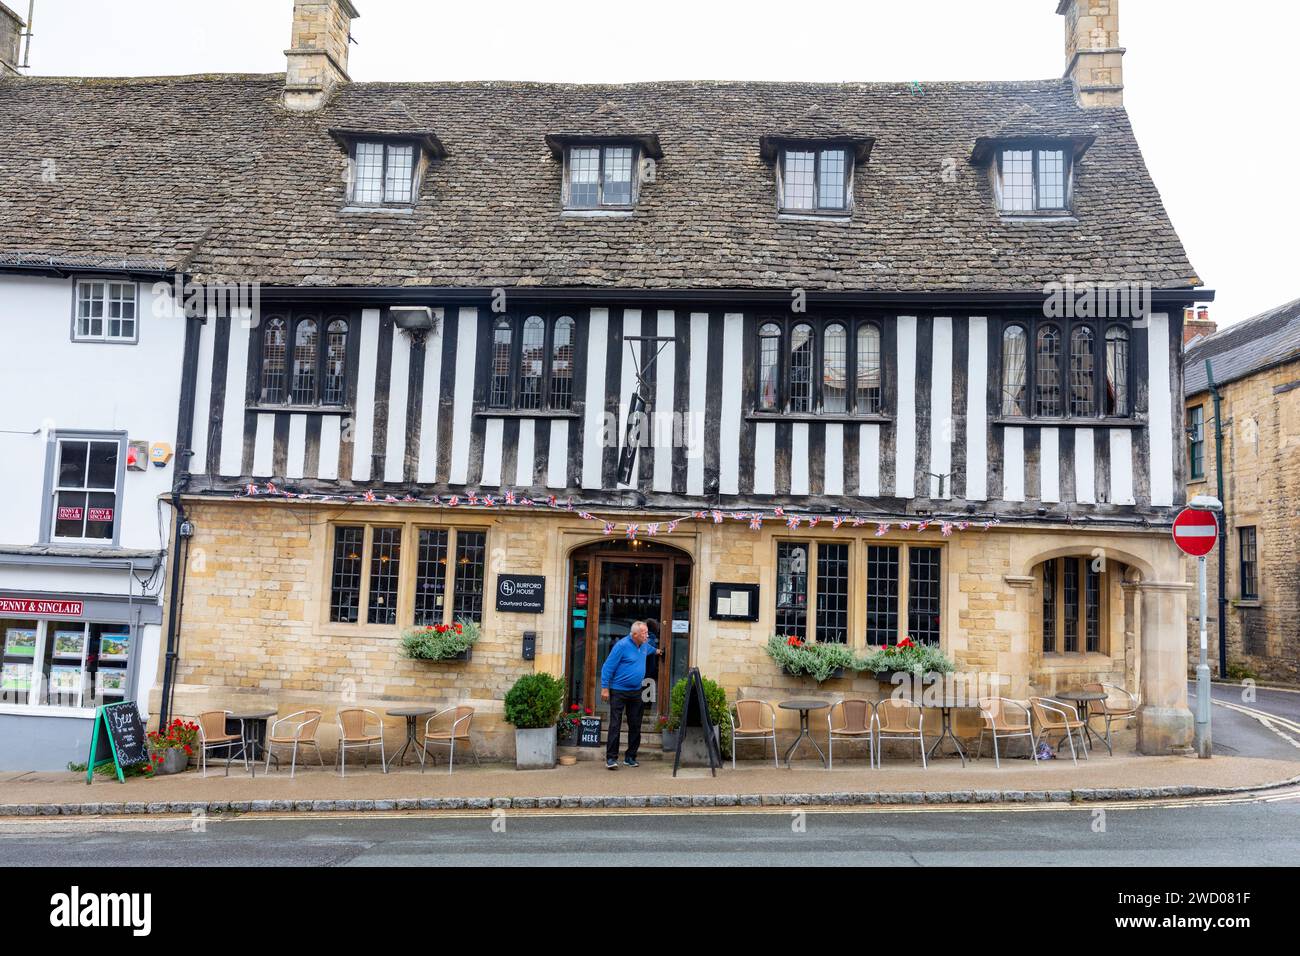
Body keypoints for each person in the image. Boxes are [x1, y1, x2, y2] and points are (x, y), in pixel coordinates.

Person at [600, 620, 661, 769]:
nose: (647, 635)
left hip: (636, 691)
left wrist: (660, 651)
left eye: (647, 632)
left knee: (636, 725)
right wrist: (604, 688)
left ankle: (630, 757)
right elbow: (607, 667)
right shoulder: (621, 646)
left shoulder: (644, 645)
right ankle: (611, 759)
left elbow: (653, 650)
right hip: (619, 690)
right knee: (615, 724)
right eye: (644, 633)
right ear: (634, 634)